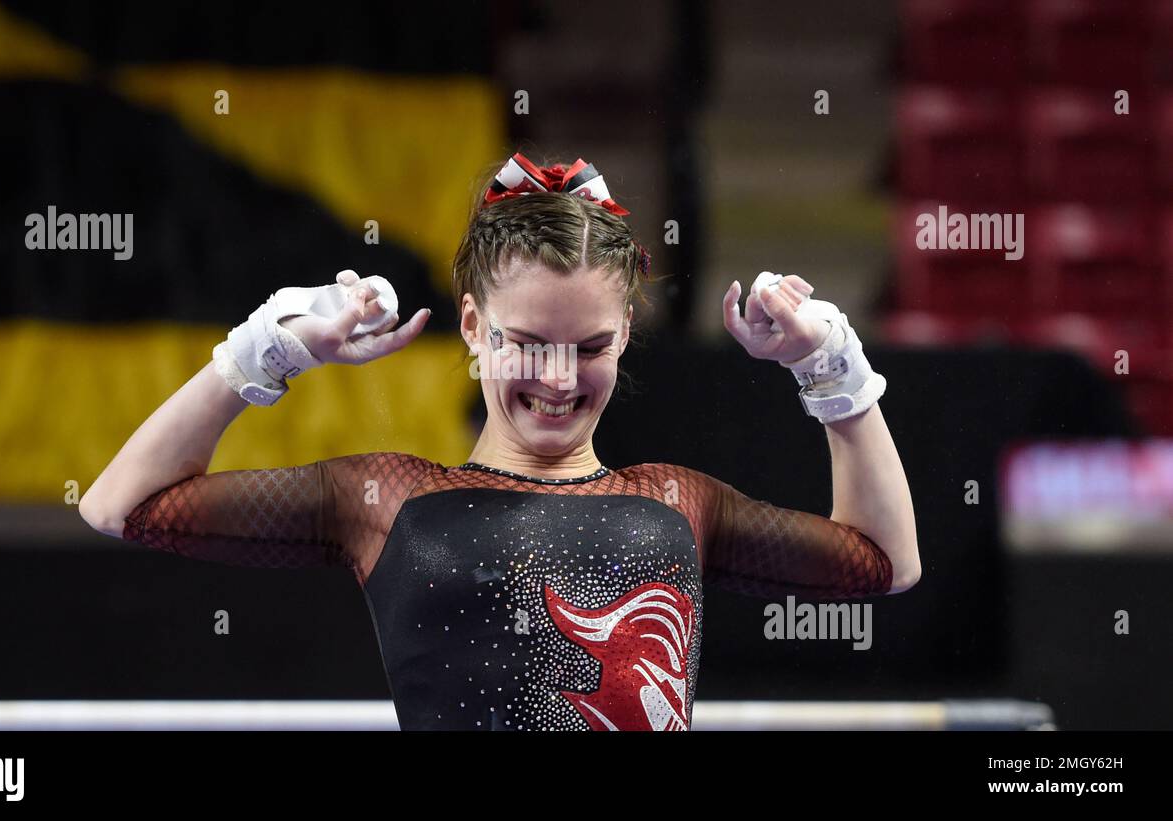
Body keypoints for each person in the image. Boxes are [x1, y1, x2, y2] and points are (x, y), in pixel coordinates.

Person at [79, 151, 921, 731]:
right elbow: (124, 504)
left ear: (626, 331)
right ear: (475, 328)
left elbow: (886, 562)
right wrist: (273, 344)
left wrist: (830, 366)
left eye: (589, 347)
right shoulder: (385, 498)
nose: (558, 378)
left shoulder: (678, 501)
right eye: (527, 343)